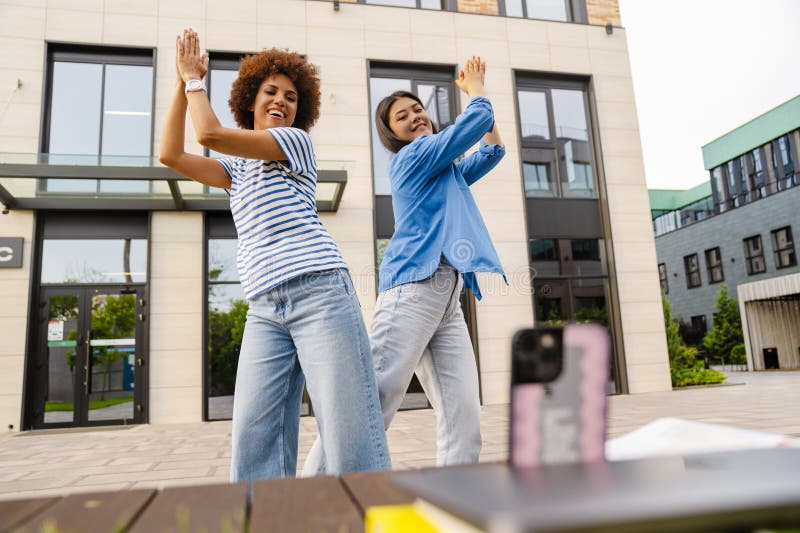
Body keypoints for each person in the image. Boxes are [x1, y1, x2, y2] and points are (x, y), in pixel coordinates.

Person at [159, 29, 390, 480]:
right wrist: (180, 82)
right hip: (264, 307)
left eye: (291, 96)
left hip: (319, 292)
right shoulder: (235, 168)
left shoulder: (294, 143)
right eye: (270, 91)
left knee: (348, 432)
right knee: (254, 437)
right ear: (251, 99)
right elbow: (170, 154)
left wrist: (194, 80)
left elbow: (208, 133)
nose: (281, 100)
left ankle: (368, 510)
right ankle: (262, 514)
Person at [303, 56, 505, 474]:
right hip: (412, 290)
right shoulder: (413, 157)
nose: (415, 116)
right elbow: (477, 118)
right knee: (374, 399)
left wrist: (480, 100)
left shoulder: (444, 170)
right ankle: (310, 492)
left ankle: (453, 499)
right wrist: (476, 87)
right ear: (392, 134)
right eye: (402, 116)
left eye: (418, 109)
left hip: (447, 300)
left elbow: (493, 150)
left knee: (463, 416)